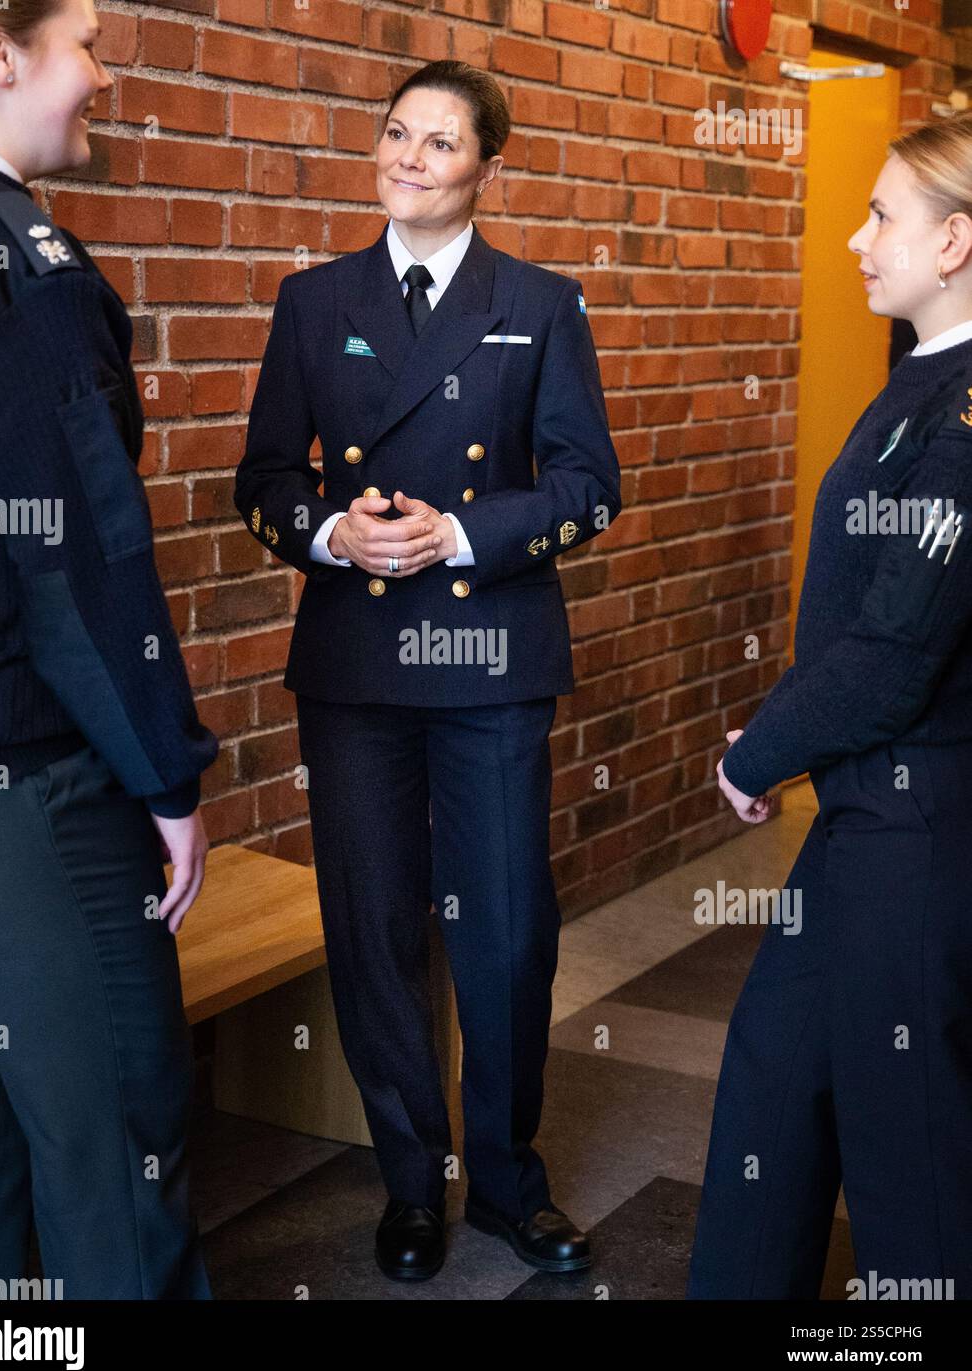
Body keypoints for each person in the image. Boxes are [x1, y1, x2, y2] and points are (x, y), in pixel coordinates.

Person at [235, 60, 622, 1280]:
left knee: (506, 930)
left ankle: (506, 1180)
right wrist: (329, 532)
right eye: (395, 134)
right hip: (355, 664)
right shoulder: (312, 300)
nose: (407, 157)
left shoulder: (541, 303)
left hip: (490, 655)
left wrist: (459, 534)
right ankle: (411, 1184)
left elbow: (587, 485)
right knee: (374, 927)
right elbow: (262, 480)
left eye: (439, 143)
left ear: (486, 169)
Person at [0, 0, 217, 1299]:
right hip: (26, 780)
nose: (103, 74)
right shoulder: (11, 273)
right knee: (117, 1141)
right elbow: (85, 570)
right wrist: (168, 781)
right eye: (85, 45)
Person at [688, 111, 972, 1299]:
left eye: (880, 216)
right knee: (773, 1085)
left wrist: (761, 750)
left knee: (907, 1164)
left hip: (915, 835)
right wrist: (786, 735)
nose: (856, 238)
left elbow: (896, 651)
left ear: (955, 240)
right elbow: (860, 622)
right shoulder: (920, 380)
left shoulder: (962, 418)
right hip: (861, 818)